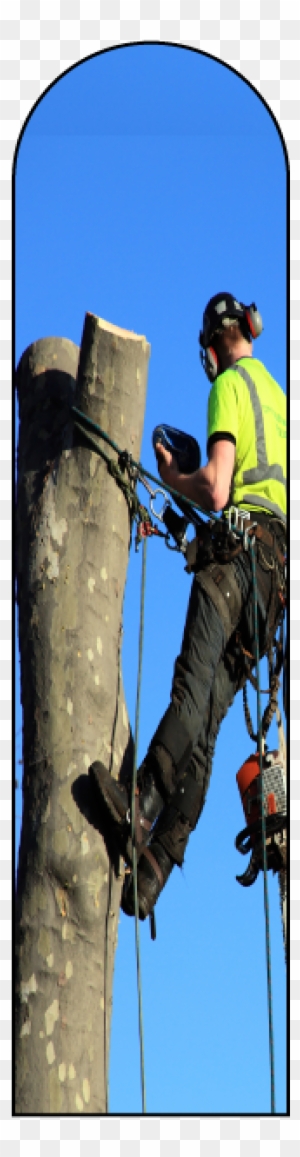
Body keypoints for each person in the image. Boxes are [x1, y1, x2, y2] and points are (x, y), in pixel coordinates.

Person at [90, 292, 286, 921]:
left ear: (215, 342)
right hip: (274, 592)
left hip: (237, 565)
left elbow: (218, 487)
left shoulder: (229, 386)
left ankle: (140, 804)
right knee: (207, 726)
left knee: (190, 688)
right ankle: (157, 868)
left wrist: (175, 478)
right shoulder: (280, 398)